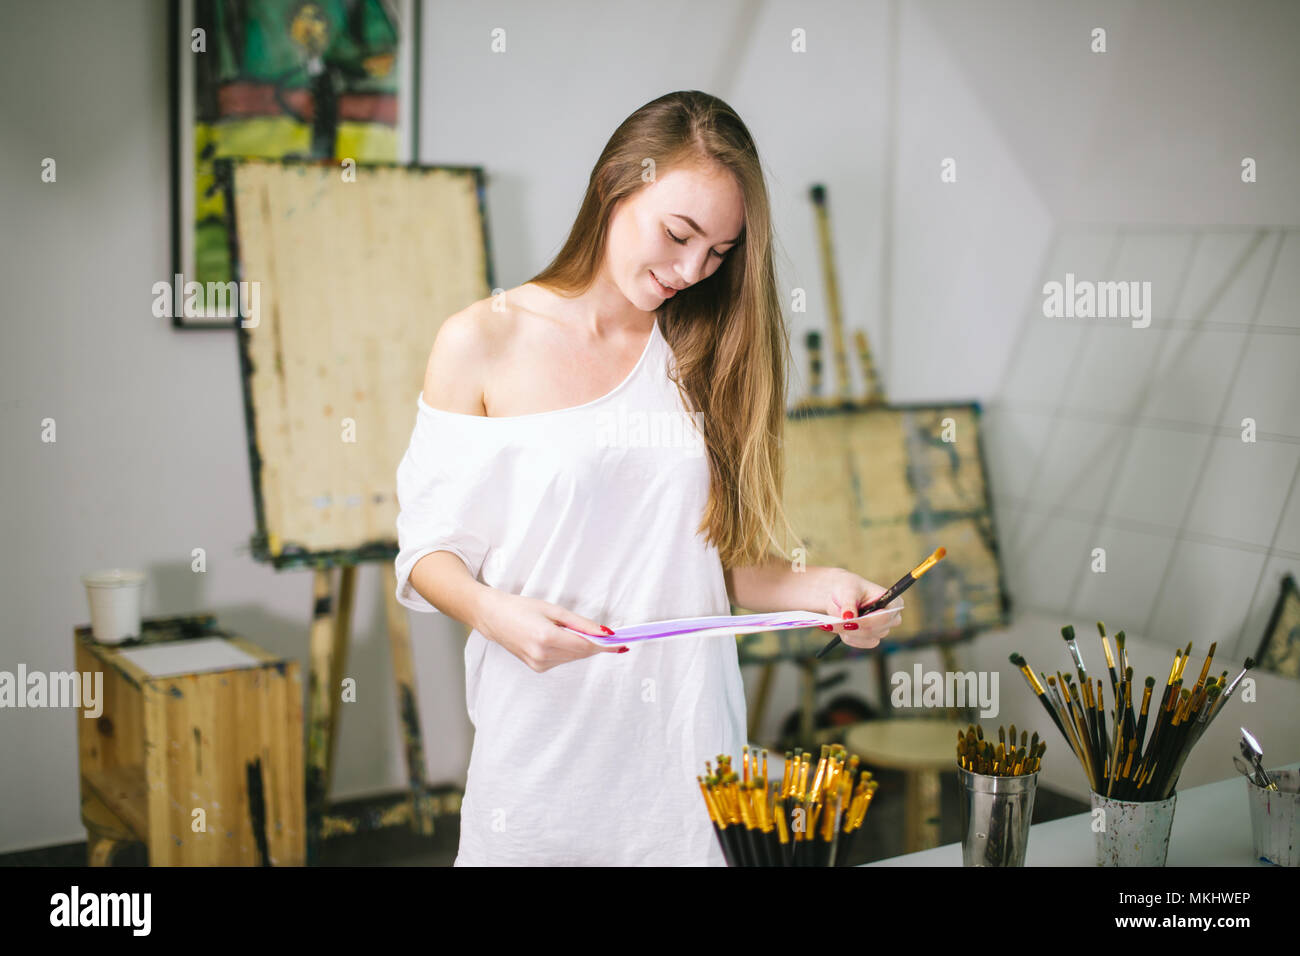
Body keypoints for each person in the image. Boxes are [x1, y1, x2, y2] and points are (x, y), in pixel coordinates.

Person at [394, 90, 902, 865]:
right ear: (614, 184)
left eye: (719, 253)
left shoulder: (706, 353)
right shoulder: (481, 341)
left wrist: (826, 587)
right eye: (678, 234)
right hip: (540, 768)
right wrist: (497, 617)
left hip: (687, 767)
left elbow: (720, 566)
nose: (692, 270)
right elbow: (427, 551)